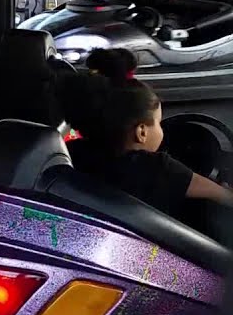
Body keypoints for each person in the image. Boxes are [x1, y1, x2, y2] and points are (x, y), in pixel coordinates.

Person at [59, 48, 233, 217]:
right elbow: (222, 196)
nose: (161, 129)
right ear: (141, 132)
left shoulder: (68, 152)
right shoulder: (156, 169)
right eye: (157, 123)